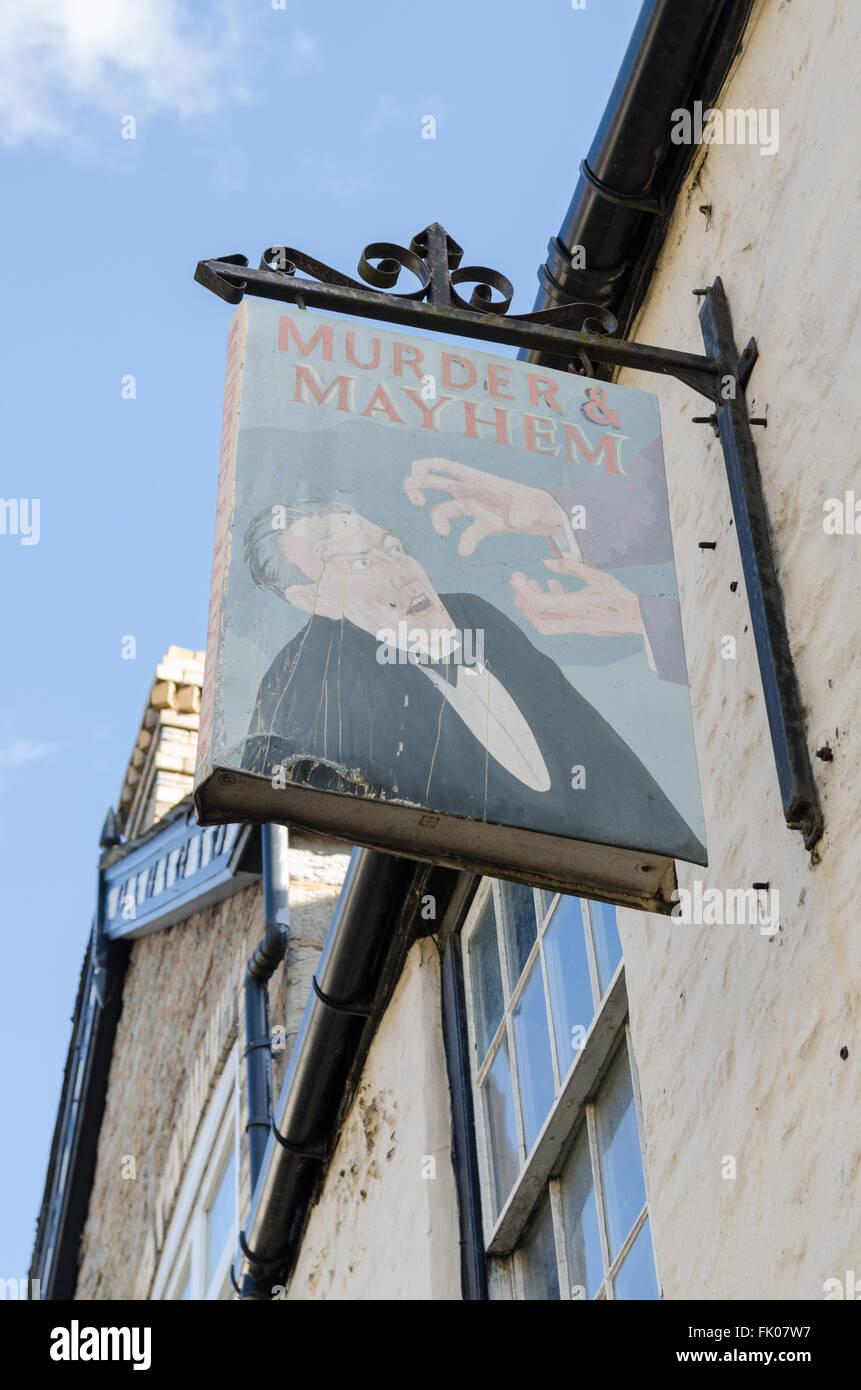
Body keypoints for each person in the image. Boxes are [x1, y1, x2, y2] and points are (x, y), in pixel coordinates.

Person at [240, 497, 705, 864]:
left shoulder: (474, 615)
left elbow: (600, 753)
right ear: (310, 599)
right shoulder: (300, 688)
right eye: (359, 564)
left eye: (393, 548)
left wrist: (683, 851)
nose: (402, 571)